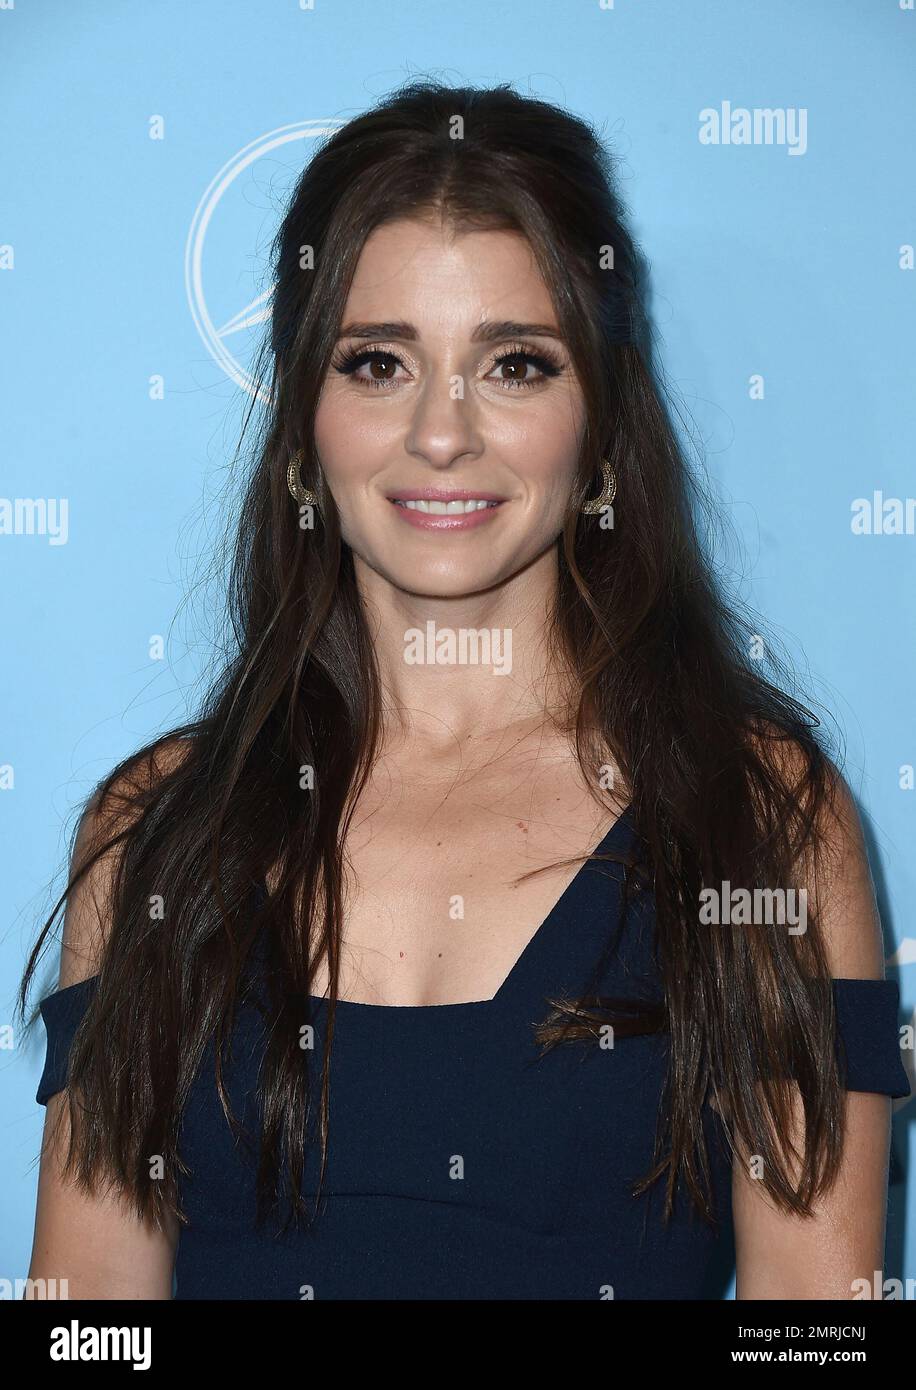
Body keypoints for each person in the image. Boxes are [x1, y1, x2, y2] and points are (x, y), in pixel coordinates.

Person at [21, 79, 909, 1301]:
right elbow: (89, 1324)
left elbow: (815, 1326)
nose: (443, 433)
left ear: (600, 417)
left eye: (515, 364)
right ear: (303, 420)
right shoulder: (161, 830)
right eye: (379, 362)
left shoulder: (755, 818)